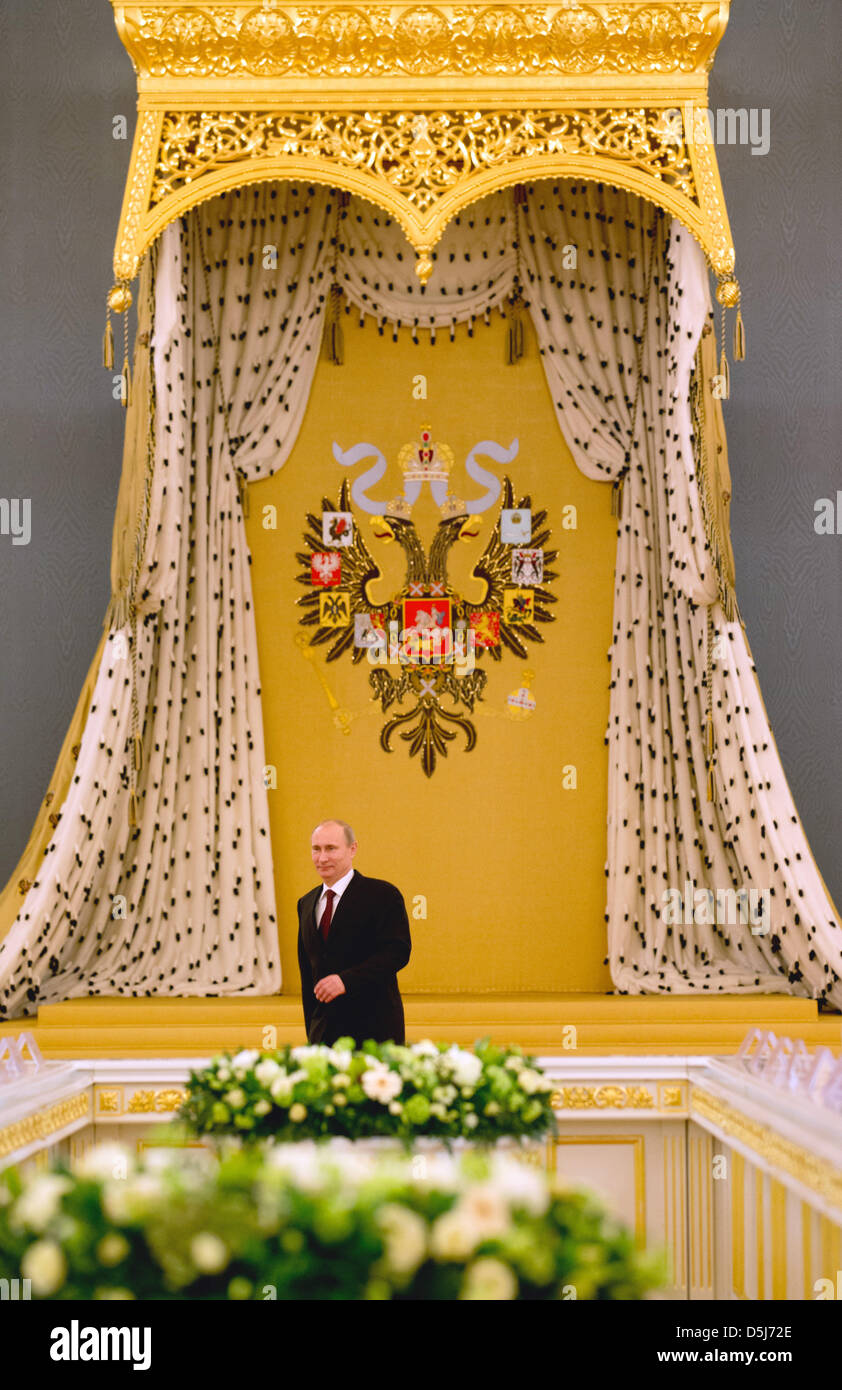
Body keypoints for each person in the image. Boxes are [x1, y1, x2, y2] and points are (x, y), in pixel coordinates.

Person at [296, 820, 411, 1046]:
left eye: (331, 848)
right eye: (316, 849)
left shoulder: (383, 895)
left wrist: (346, 981)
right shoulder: (306, 903)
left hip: (374, 1032)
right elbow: (307, 974)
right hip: (324, 1037)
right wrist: (312, 1032)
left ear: (353, 849)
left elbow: (397, 952)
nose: (322, 857)